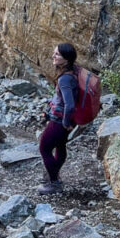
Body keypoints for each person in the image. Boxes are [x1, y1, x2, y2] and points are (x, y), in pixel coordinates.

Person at [38, 42, 79, 194]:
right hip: (64, 119)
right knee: (60, 146)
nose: (53, 56)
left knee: (44, 148)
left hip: (59, 121)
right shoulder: (73, 71)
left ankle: (54, 183)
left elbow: (69, 104)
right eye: (54, 53)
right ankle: (54, 175)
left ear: (66, 59)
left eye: (57, 55)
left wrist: (66, 123)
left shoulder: (65, 79)